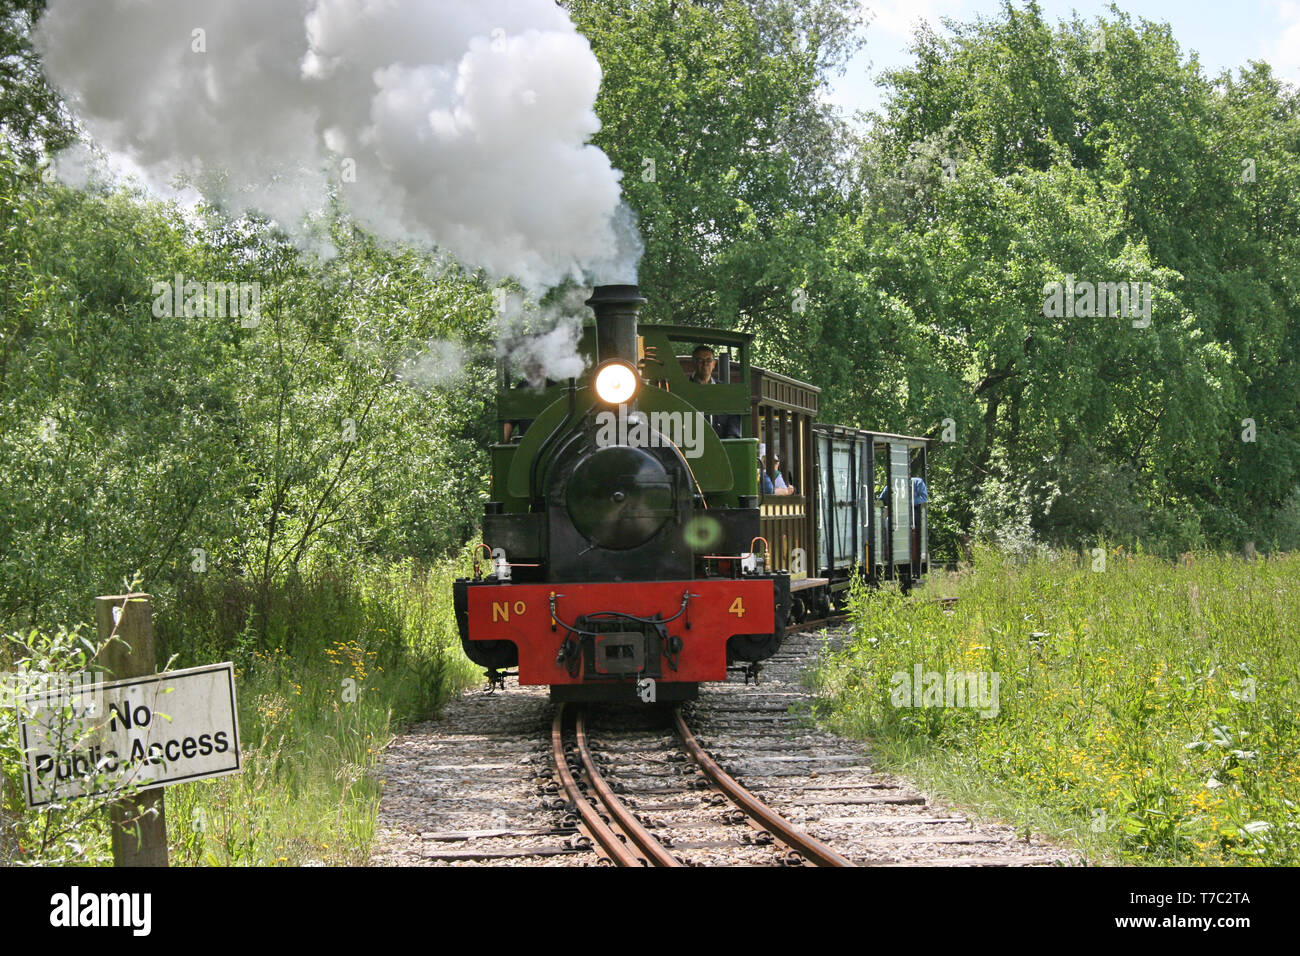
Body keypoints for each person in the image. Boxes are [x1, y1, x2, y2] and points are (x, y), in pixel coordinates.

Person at [691, 344, 743, 439]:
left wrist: (731, 440)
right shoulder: (684, 388)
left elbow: (733, 422)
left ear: (714, 364)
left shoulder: (725, 391)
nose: (705, 364)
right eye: (700, 360)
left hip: (721, 447)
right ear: (693, 363)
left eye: (708, 360)